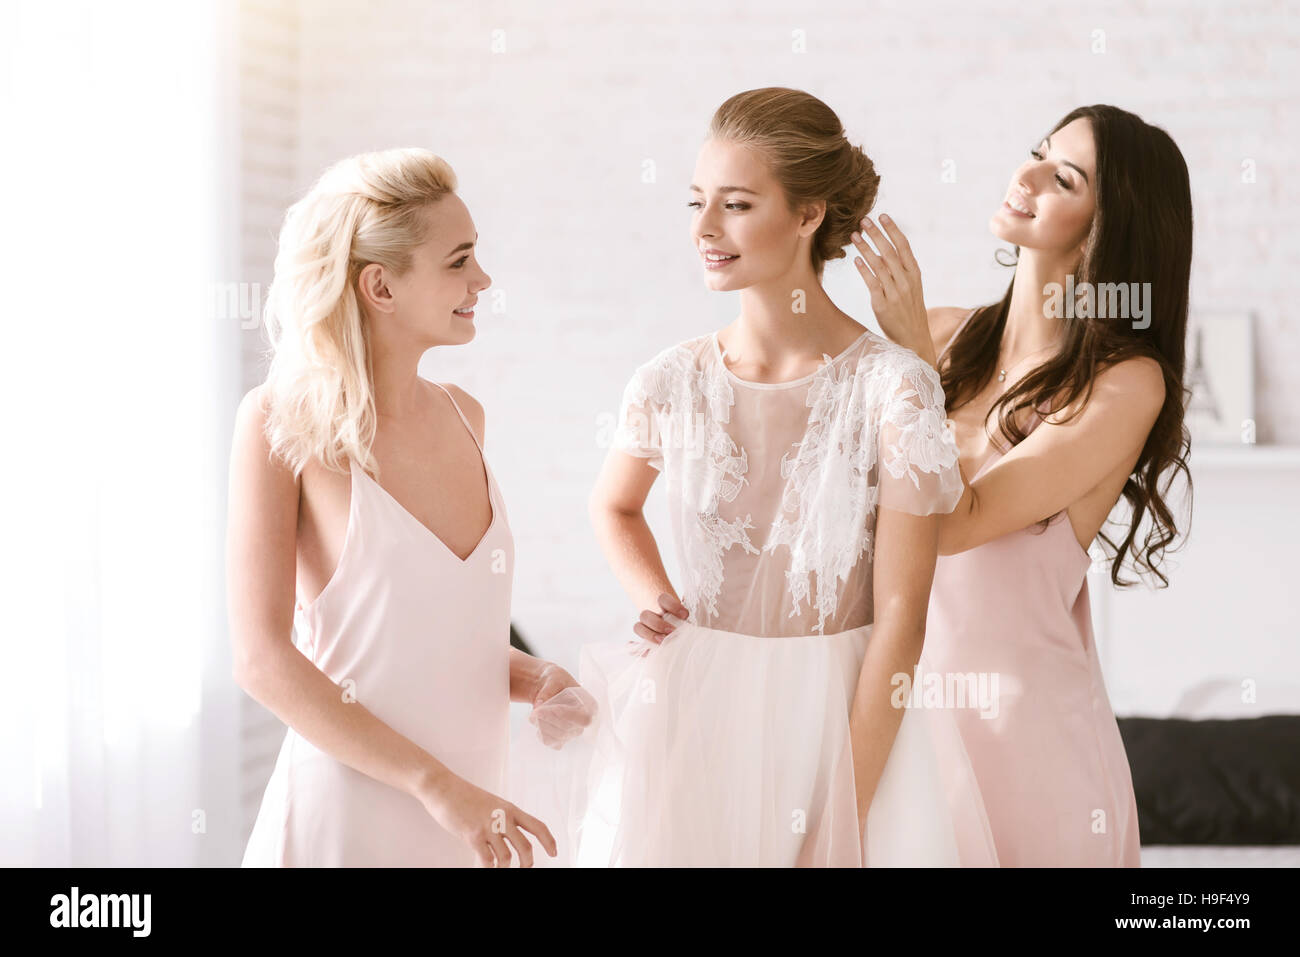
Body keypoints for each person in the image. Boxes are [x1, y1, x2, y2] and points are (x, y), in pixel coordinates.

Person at [565, 88, 999, 866]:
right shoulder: (669, 381)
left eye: (734, 205)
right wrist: (653, 597)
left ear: (808, 215)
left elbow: (903, 622)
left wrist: (842, 819)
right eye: (697, 202)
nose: (703, 230)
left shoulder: (893, 387)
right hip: (695, 718)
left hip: (846, 724)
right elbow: (613, 505)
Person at [851, 105, 1192, 865]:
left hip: (1029, 746)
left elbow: (952, 519)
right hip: (905, 726)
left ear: (1106, 229)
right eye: (1036, 152)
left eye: (1063, 177)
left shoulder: (1125, 384)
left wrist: (907, 355)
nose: (1026, 175)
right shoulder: (940, 333)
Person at [229, 147, 584, 867]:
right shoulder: (279, 422)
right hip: (350, 818)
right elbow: (262, 661)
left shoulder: (466, 417)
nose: (482, 280)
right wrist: (436, 785)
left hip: (472, 818)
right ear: (381, 287)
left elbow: (436, 638)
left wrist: (534, 676)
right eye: (459, 261)